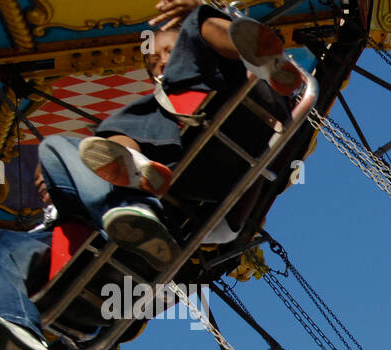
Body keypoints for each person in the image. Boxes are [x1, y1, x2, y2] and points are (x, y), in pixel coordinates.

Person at [0, 136, 174, 350]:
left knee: (53, 146)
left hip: (98, 229)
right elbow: (7, 250)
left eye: (43, 176)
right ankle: (17, 328)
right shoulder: (38, 232)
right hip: (64, 278)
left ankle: (134, 216)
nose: (38, 181)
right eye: (37, 180)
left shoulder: (76, 197)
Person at [78, 0, 298, 201]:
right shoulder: (153, 112)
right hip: (201, 172)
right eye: (153, 62)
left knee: (198, 20)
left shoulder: (213, 64)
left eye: (170, 52)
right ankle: (136, 168)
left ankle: (264, 60)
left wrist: (197, 14)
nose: (163, 62)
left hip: (251, 118)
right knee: (115, 126)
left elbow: (198, 40)